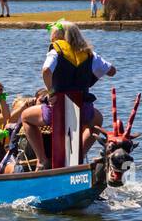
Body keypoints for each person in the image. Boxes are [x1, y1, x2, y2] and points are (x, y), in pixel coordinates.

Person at [20, 22, 116, 167]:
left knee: (25, 117)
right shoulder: (90, 54)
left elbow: (46, 71)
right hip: (83, 108)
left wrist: (51, 92)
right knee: (97, 120)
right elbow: (112, 71)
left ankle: (42, 160)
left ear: (59, 36)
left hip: (57, 109)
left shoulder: (56, 51)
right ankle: (79, 156)